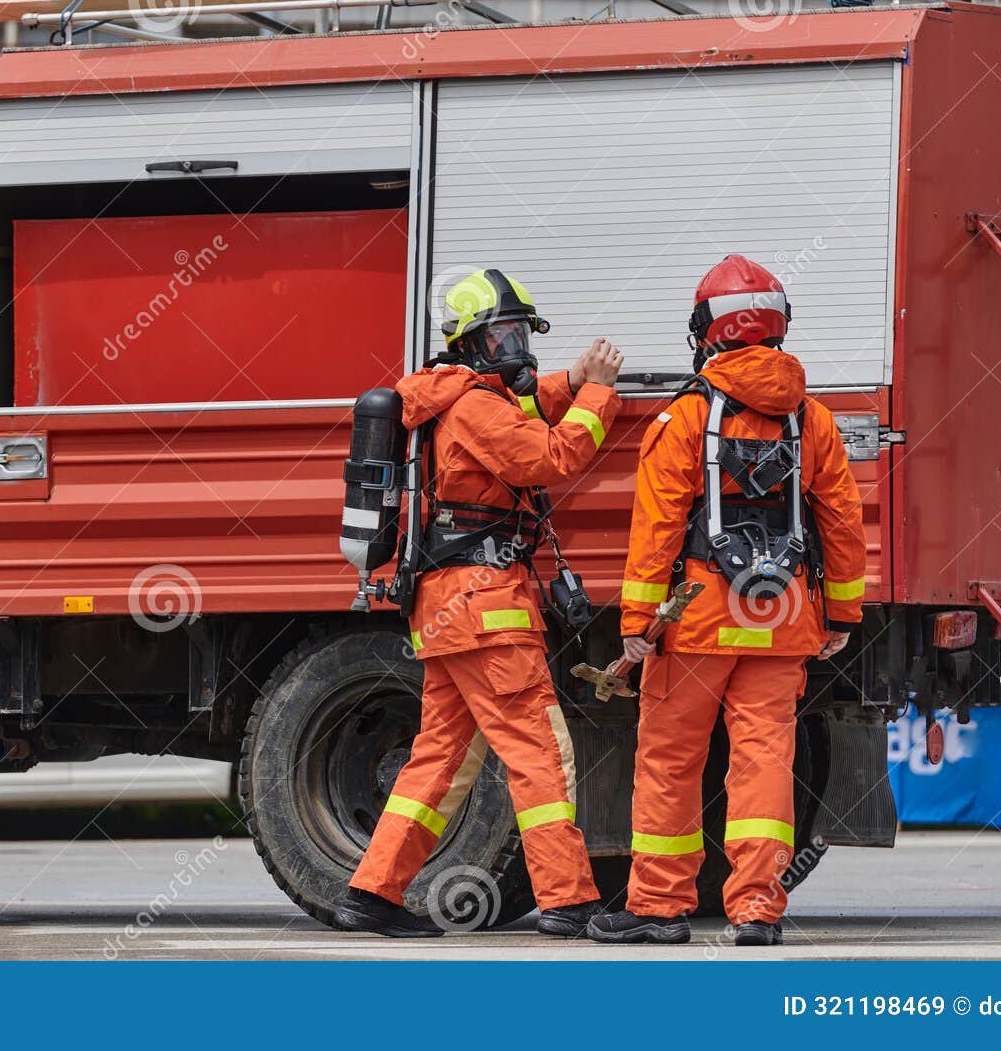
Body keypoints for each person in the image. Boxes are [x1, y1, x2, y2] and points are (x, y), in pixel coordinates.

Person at [332, 267, 623, 939]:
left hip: (452, 611)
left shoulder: (455, 397)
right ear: (468, 343)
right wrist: (599, 395)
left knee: (440, 758)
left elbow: (522, 409)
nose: (515, 347)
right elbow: (547, 458)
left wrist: (572, 382)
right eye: (501, 336)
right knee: (539, 752)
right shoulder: (474, 406)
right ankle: (568, 899)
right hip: (487, 611)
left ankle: (371, 893)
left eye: (520, 333)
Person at [587, 255, 865, 948]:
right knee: (765, 762)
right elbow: (841, 523)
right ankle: (757, 910)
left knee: (670, 761)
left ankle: (659, 908)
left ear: (706, 330)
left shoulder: (685, 417)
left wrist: (638, 622)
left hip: (696, 621)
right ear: (779, 326)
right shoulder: (814, 420)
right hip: (782, 620)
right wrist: (841, 615)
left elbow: (656, 528)